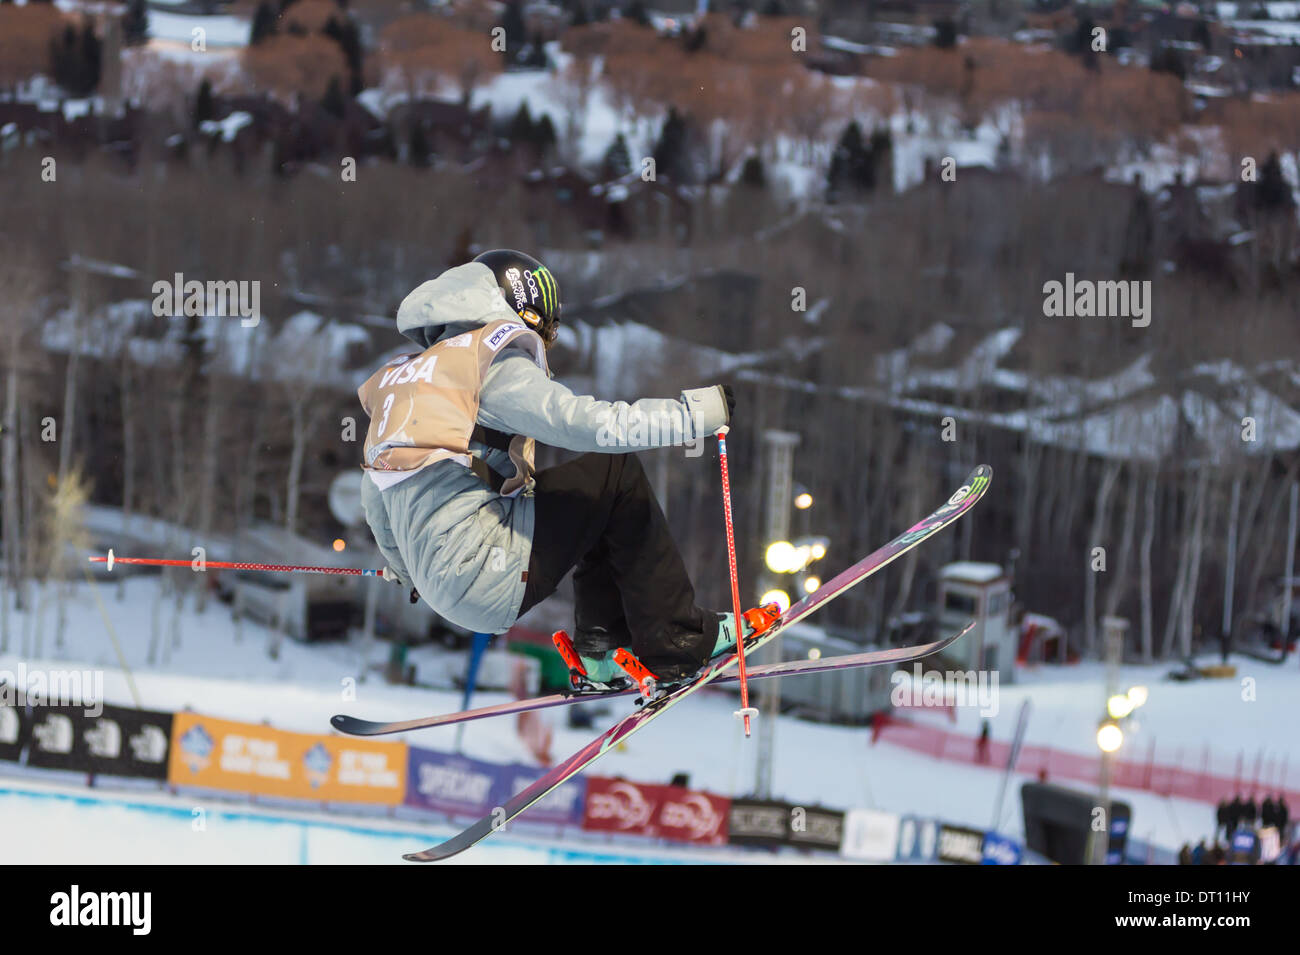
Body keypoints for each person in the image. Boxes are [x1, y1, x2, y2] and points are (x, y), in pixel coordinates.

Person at [357, 251, 774, 692]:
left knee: (587, 499)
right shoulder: (485, 362)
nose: (547, 338)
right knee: (615, 473)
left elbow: (375, 494)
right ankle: (678, 642)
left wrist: (408, 568)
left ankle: (602, 652)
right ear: (524, 308)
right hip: (486, 573)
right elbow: (582, 423)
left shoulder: (406, 380)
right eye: (547, 324)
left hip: (448, 581)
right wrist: (693, 416)